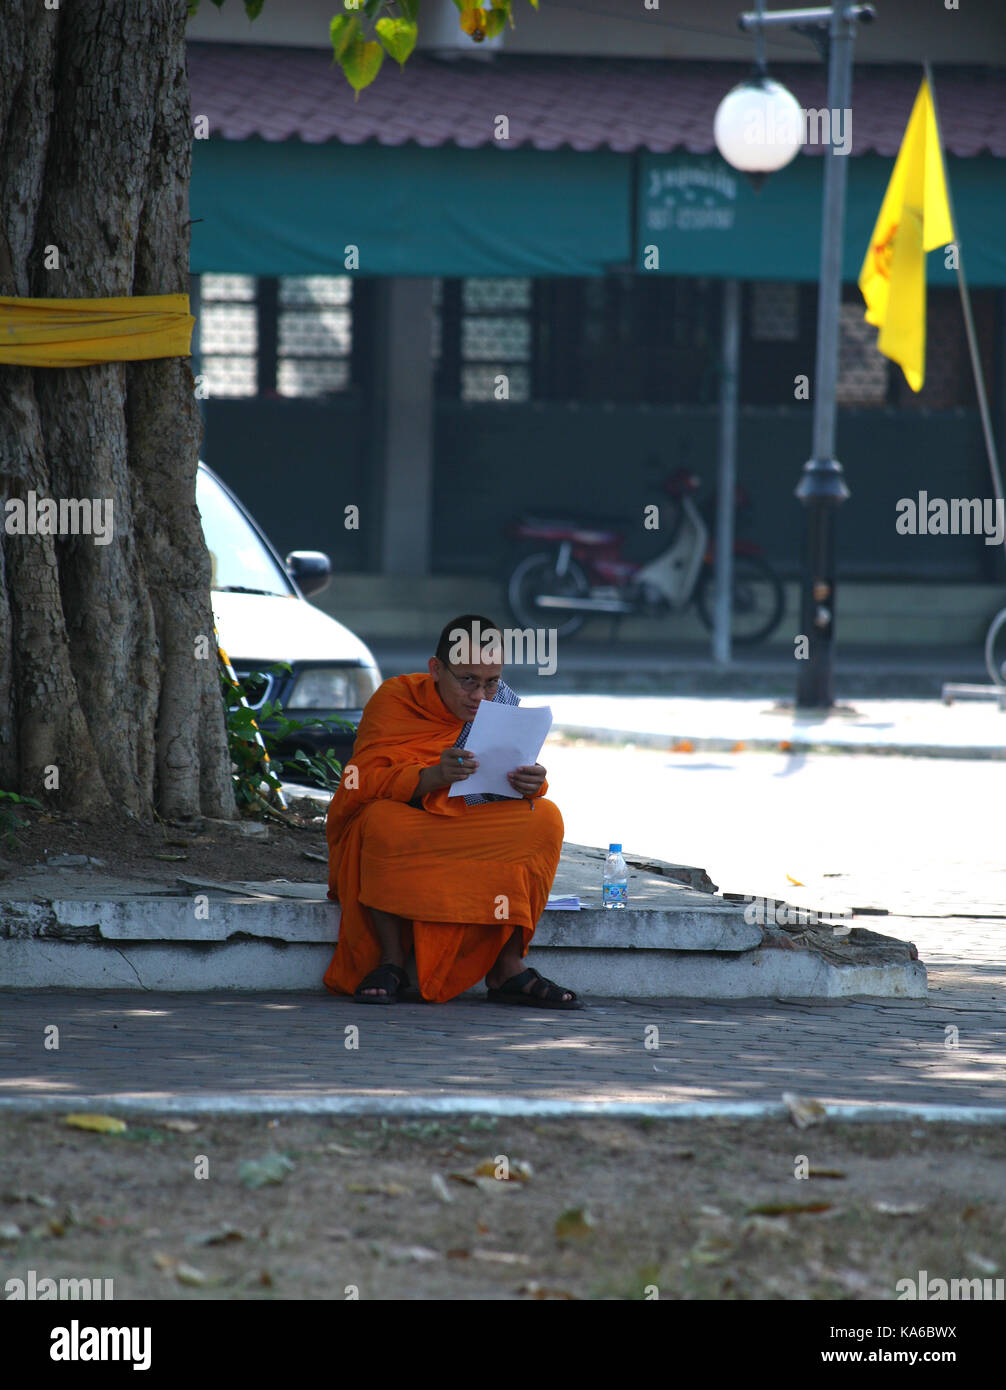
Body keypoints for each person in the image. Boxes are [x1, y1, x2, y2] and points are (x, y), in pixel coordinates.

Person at [323, 614, 581, 1009]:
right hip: (415, 821)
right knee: (379, 823)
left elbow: (511, 777)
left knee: (544, 818)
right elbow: (359, 781)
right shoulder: (396, 699)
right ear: (436, 669)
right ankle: (391, 961)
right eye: (468, 681)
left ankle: (507, 965)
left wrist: (533, 782)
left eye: (491, 682)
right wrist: (430, 776)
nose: (480, 696)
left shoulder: (504, 706)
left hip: (472, 821)